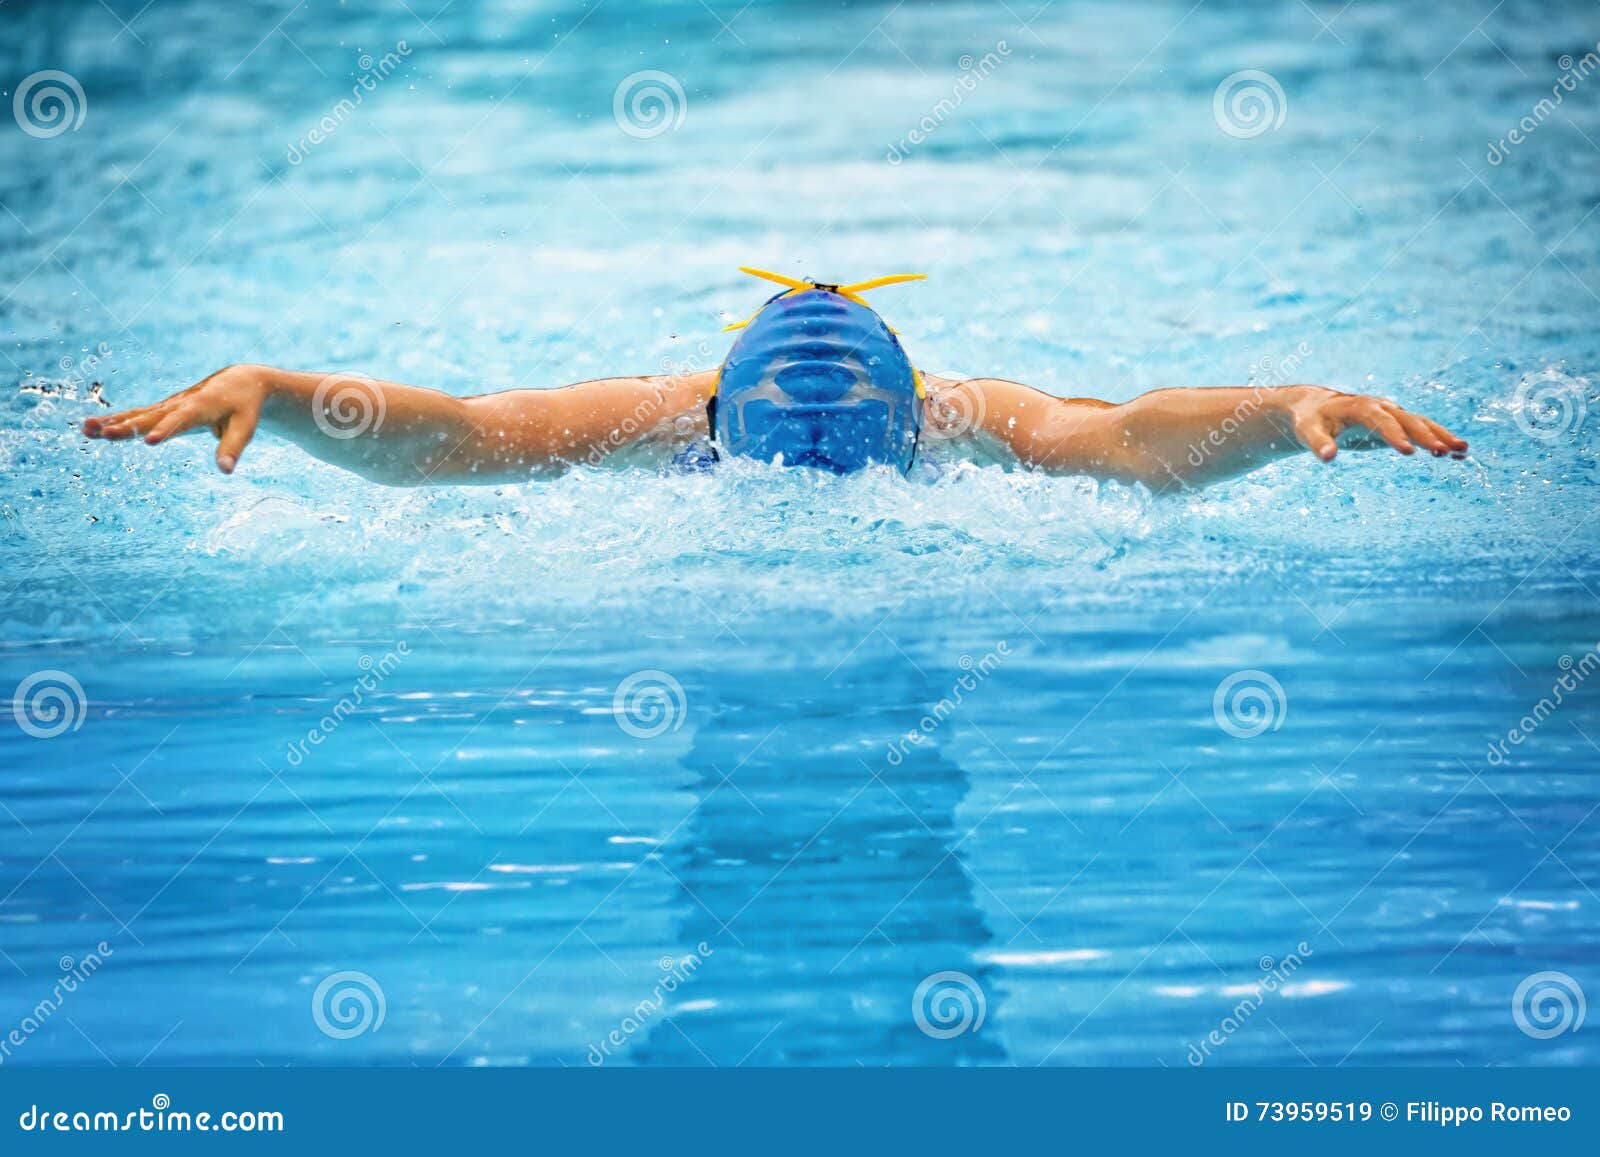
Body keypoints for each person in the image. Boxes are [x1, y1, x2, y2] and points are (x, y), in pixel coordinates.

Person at [80, 268, 1468, 490]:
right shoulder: (664, 406)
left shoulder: (967, 410)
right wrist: (283, 384)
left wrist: (1287, 414)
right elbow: (462, 438)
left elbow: (1125, 437)